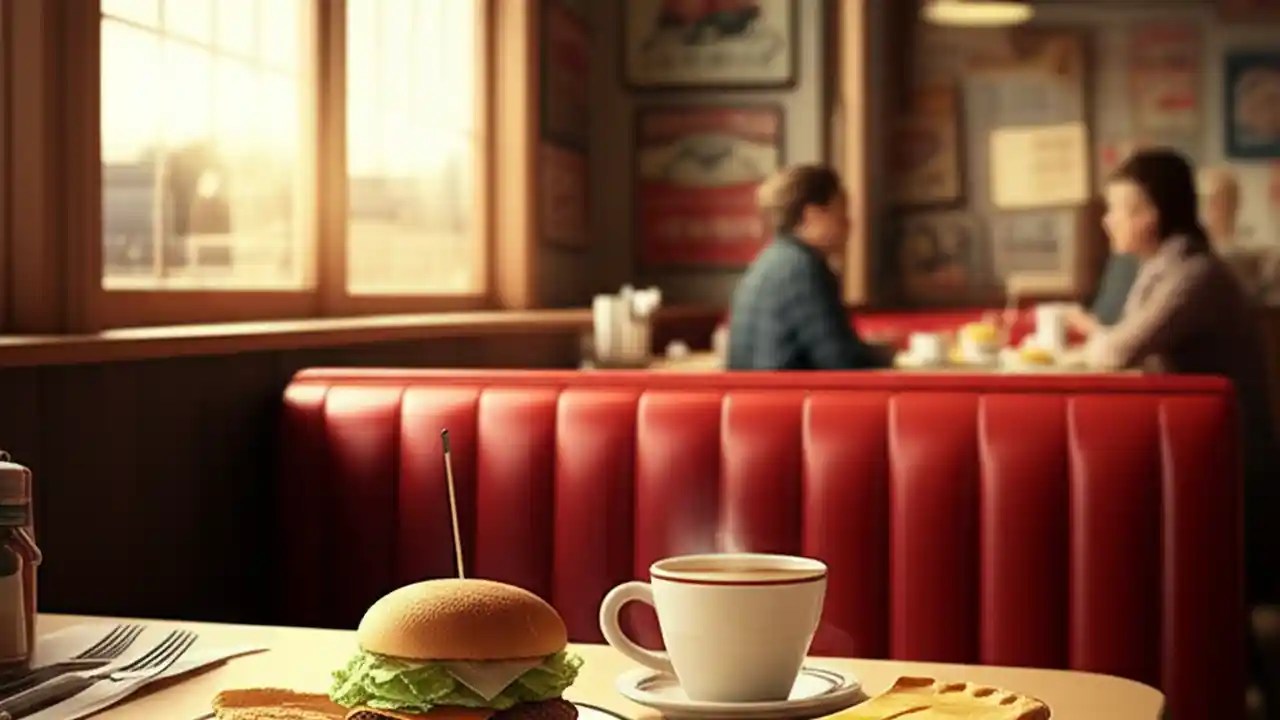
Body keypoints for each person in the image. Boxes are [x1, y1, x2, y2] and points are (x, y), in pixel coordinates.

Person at [1067, 148, 1277, 603]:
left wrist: (1091, 338)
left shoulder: (1193, 275)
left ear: (1152, 214)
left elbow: (1118, 350)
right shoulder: (1161, 269)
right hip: (1195, 455)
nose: (1108, 221)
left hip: (1230, 471)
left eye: (1119, 210)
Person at [728, 165, 886, 370]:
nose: (849, 224)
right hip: (788, 400)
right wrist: (887, 354)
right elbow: (840, 361)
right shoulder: (804, 270)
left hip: (754, 399)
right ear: (812, 216)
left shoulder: (766, 262)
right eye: (841, 212)